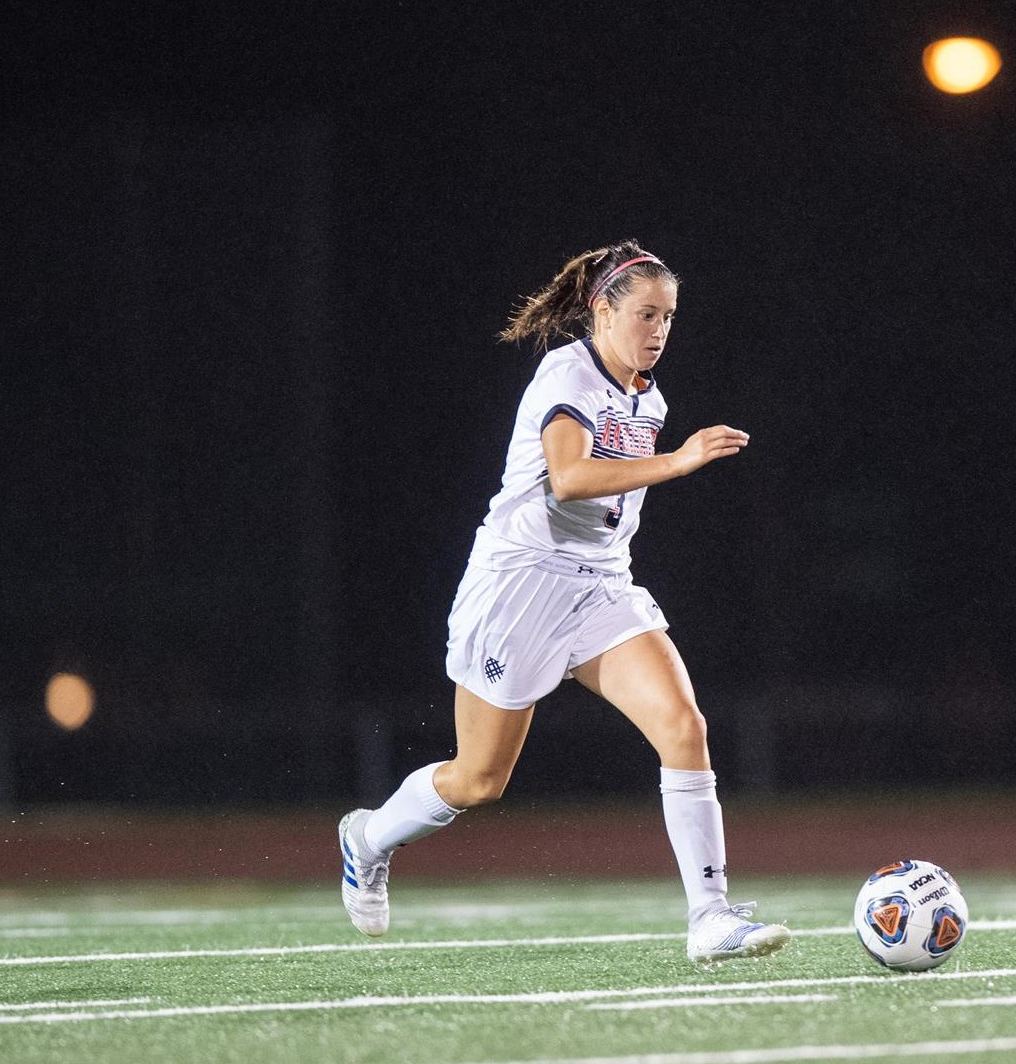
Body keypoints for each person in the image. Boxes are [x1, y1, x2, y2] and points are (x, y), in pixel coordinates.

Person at [337, 241, 791, 965]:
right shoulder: (568, 371)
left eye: (669, 317)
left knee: (684, 726)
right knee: (479, 779)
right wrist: (677, 460)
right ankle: (368, 837)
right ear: (601, 310)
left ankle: (709, 917)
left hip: (599, 585)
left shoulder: (650, 396)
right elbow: (570, 479)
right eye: (645, 313)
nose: (659, 330)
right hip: (519, 586)